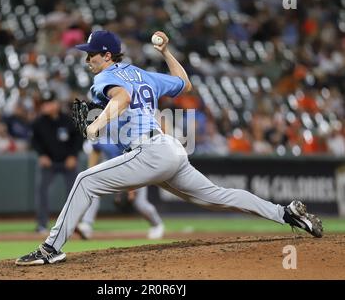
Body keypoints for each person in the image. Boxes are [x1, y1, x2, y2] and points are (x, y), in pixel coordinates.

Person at [16, 30, 323, 265]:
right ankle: (285, 213)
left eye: (91, 55)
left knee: (85, 180)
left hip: (149, 151)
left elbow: (121, 98)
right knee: (219, 196)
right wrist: (165, 51)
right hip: (169, 151)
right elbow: (184, 84)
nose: (87, 60)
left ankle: (50, 249)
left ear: (107, 55)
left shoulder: (106, 77)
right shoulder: (141, 73)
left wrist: (94, 126)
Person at [76, 133, 165, 240]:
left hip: (136, 169)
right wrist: (89, 172)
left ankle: (157, 225)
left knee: (140, 203)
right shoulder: (101, 135)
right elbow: (95, 151)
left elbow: (134, 161)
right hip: (112, 169)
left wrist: (131, 190)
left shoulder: (128, 134)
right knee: (92, 190)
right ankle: (86, 226)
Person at [31, 90, 83, 233]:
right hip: (49, 163)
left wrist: (73, 156)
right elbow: (35, 141)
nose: (46, 106)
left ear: (56, 104)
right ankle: (42, 224)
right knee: (42, 191)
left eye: (49, 103)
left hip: (68, 162)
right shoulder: (38, 123)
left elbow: (78, 139)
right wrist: (41, 155)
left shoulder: (68, 120)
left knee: (75, 192)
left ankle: (73, 225)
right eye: (44, 104)